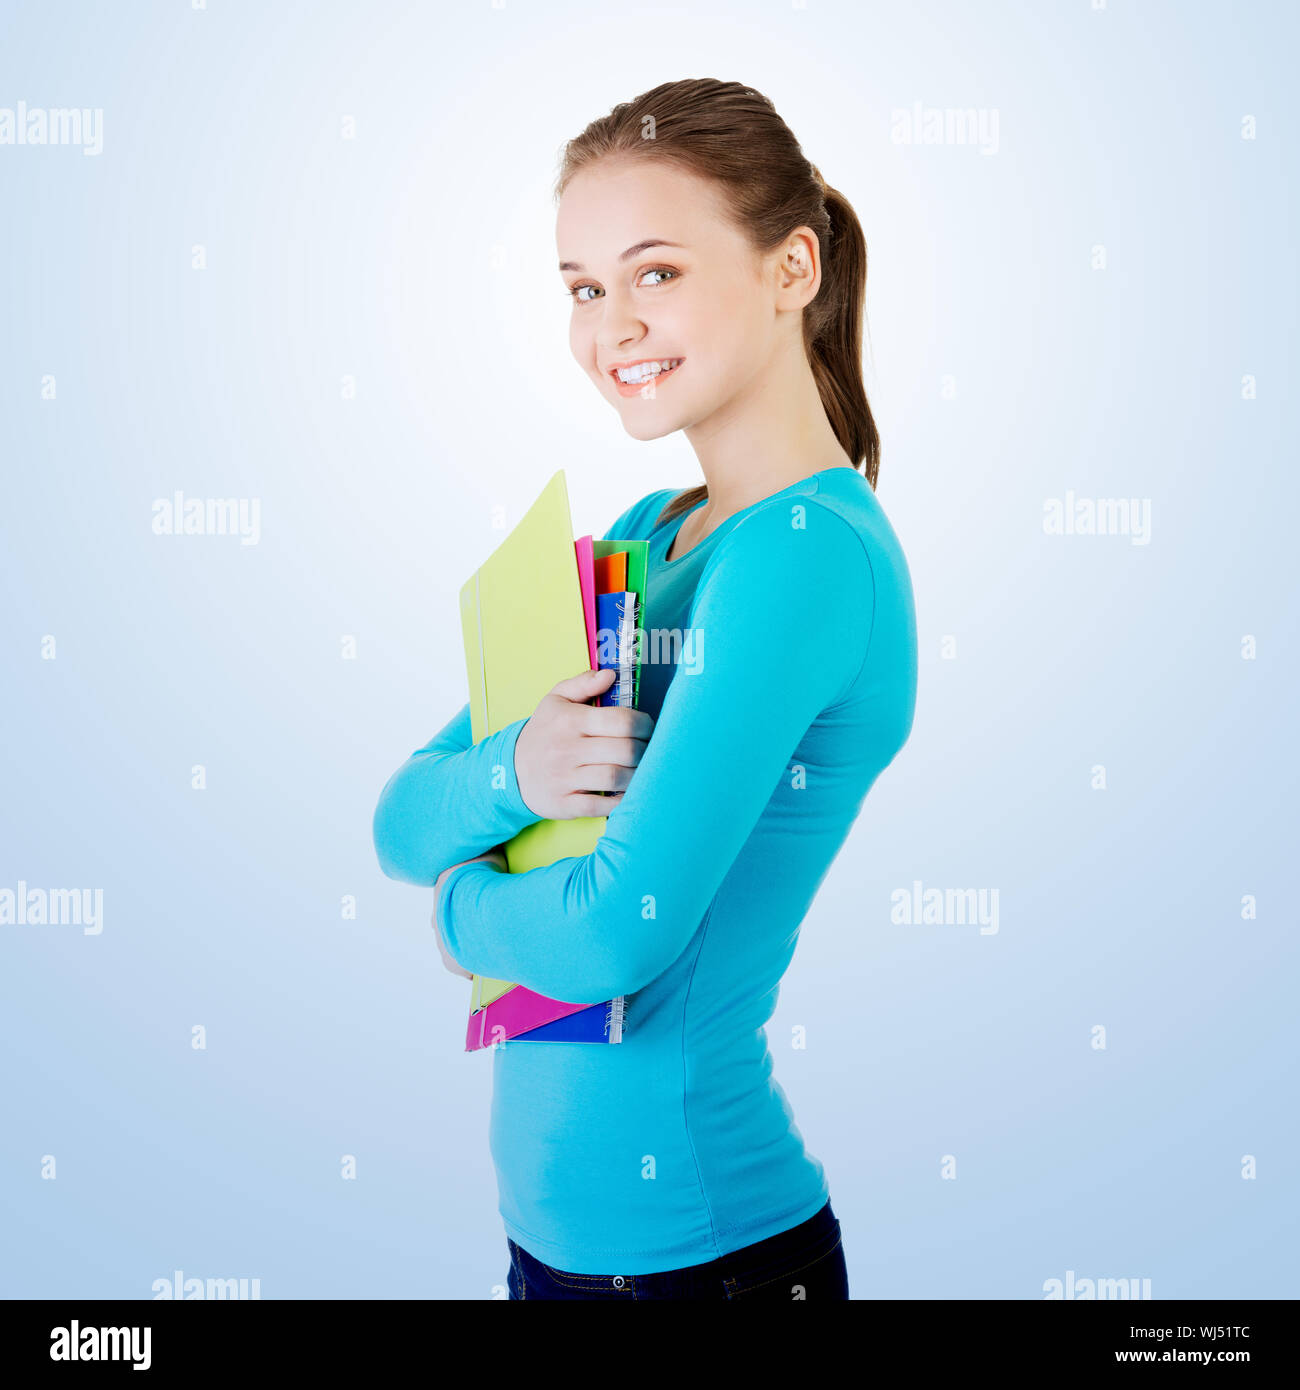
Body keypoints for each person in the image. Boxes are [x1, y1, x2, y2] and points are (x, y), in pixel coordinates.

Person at [373, 77, 918, 1301]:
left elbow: (615, 934)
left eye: (654, 273)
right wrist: (514, 774)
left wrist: (460, 912)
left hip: (702, 1263)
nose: (609, 324)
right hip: (559, 1255)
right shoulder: (645, 533)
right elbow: (398, 817)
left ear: (792, 269)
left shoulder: (804, 557)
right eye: (582, 288)